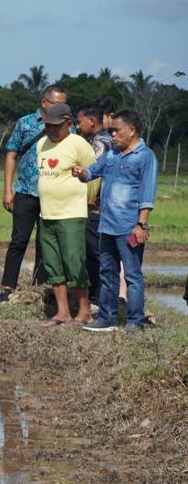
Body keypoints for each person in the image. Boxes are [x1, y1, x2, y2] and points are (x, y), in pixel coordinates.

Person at [76, 109, 158, 333]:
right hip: (106, 225)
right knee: (107, 272)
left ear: (132, 130)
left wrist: (141, 224)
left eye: (116, 130)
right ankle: (106, 317)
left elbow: (147, 194)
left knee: (132, 275)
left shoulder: (145, 156)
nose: (112, 135)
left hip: (129, 227)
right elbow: (93, 171)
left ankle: (134, 321)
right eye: (111, 130)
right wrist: (82, 172)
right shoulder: (111, 154)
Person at [0, 84, 67, 301]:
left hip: (53, 194)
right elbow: (11, 155)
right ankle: (7, 287)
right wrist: (7, 189)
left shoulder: (67, 126)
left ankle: (40, 287)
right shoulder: (25, 123)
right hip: (26, 191)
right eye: (57, 104)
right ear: (44, 102)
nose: (61, 108)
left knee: (45, 242)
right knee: (19, 240)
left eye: (64, 104)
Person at [33, 103, 96, 327]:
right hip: (47, 214)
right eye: (48, 125)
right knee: (53, 264)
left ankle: (84, 312)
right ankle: (62, 312)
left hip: (72, 213)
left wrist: (88, 202)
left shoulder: (78, 144)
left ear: (68, 123)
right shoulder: (41, 144)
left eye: (56, 125)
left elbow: (94, 175)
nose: (51, 129)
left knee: (74, 262)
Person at [76, 104, 115, 318]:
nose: (77, 125)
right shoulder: (99, 141)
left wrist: (89, 201)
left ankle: (99, 300)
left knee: (96, 254)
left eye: (80, 120)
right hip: (98, 209)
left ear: (92, 121)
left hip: (97, 209)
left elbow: (97, 176)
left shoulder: (100, 143)